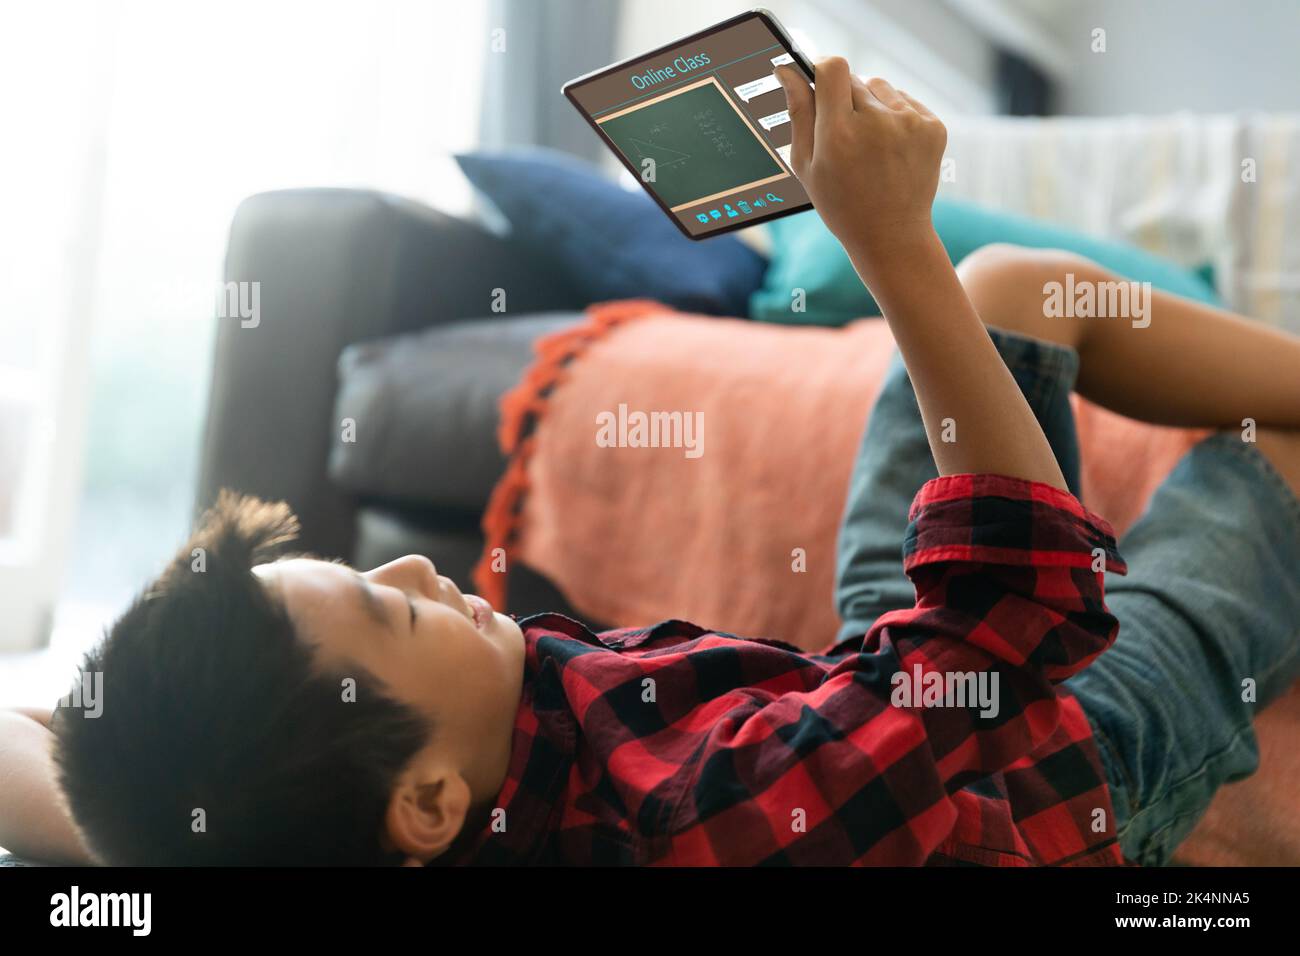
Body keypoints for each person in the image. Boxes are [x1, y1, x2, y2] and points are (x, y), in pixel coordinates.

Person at [2, 58, 1298, 866]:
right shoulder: (702, 825)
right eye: (390, 604)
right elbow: (1019, 618)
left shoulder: (323, 811)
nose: (414, 562)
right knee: (1269, 465)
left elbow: (60, 785)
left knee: (1005, 288)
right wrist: (886, 241)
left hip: (871, 698)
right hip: (1056, 764)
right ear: (429, 806)